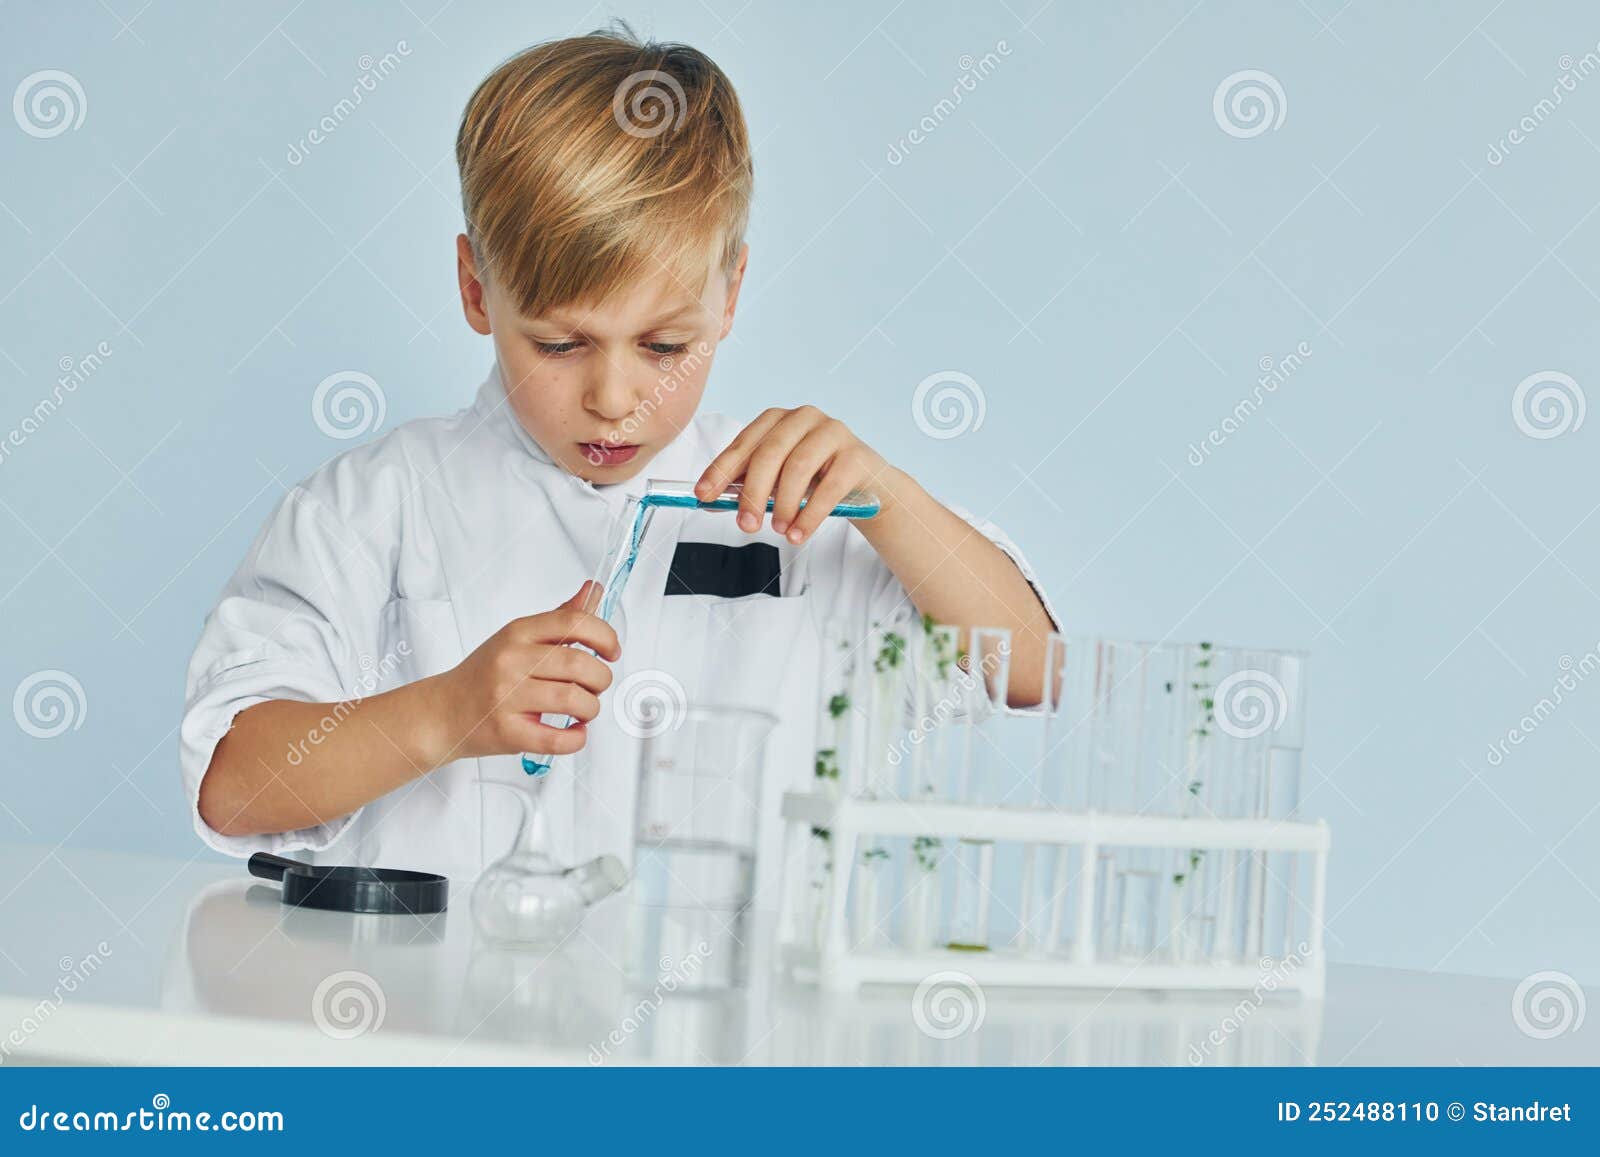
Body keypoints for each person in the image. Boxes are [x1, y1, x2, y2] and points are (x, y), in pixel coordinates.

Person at [180, 26, 1059, 885]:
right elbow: (235, 786)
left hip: (717, 1016)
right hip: (425, 1013)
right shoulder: (376, 502)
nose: (613, 398)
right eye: (561, 345)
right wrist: (445, 712)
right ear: (476, 288)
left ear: (732, 294)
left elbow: (1030, 670)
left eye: (665, 347)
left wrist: (889, 498)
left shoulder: (801, 498)